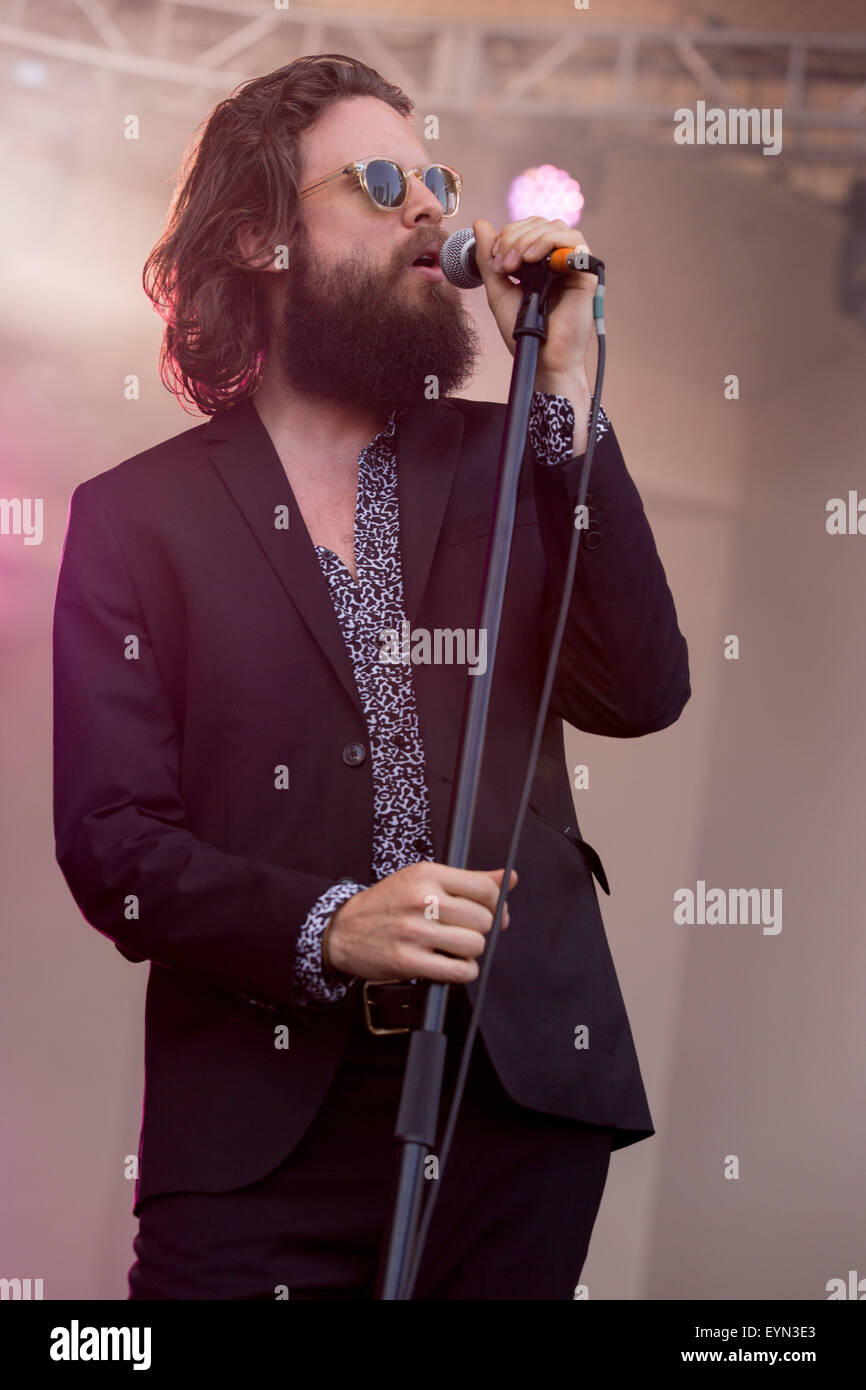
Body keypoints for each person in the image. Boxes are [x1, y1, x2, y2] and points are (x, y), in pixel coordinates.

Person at [52, 53, 691, 1300]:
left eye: (435, 179)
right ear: (261, 236)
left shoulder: (513, 452)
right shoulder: (137, 517)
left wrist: (556, 384)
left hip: (512, 1099)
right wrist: (329, 925)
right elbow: (112, 844)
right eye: (382, 178)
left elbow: (641, 688)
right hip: (256, 1123)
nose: (428, 209)